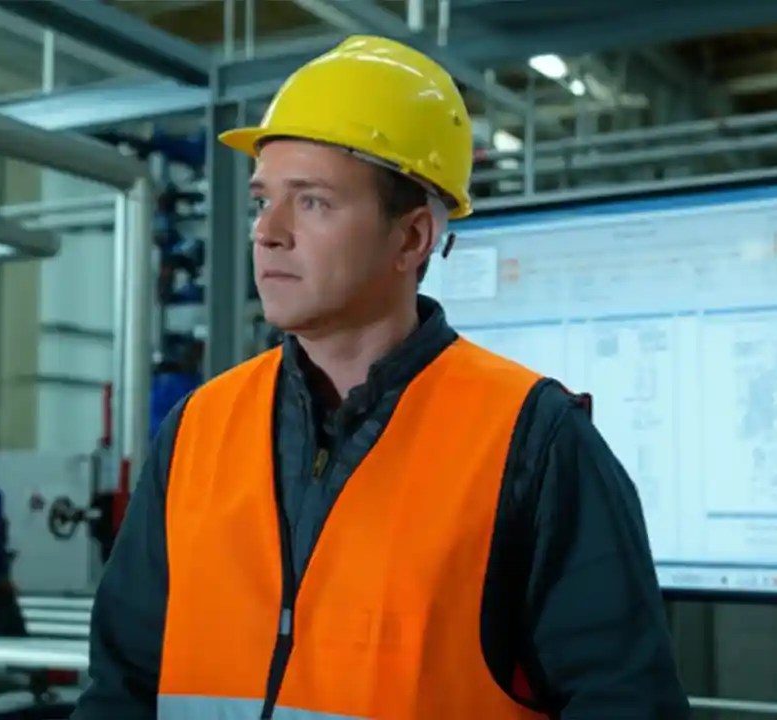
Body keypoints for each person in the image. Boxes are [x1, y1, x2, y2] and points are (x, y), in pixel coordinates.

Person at [72, 35, 689, 720]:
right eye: (262, 201)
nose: (268, 233)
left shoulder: (533, 443)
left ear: (412, 238)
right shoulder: (197, 431)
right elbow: (119, 691)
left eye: (311, 202)